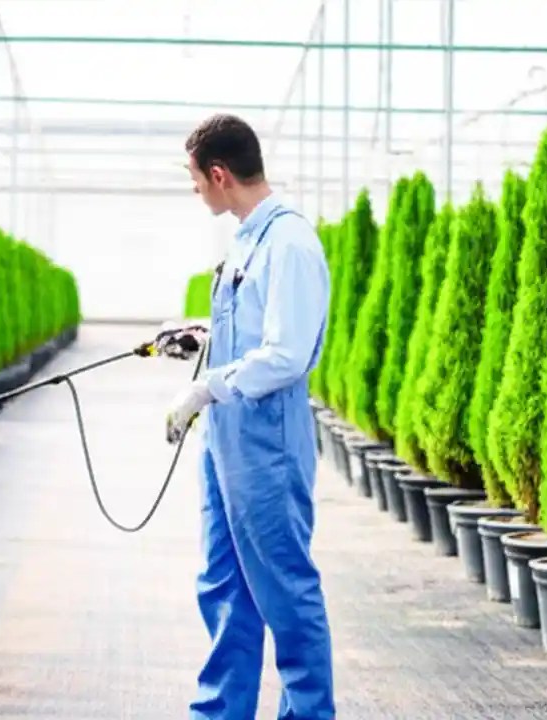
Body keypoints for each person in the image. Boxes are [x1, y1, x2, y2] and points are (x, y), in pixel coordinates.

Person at [156, 113, 335, 720]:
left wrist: (204, 389)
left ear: (218, 173)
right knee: (224, 585)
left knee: (284, 589)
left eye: (194, 178)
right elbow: (255, 329)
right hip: (226, 443)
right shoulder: (246, 237)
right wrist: (203, 339)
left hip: (266, 445)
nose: (194, 190)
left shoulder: (290, 243)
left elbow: (286, 354)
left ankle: (307, 713)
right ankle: (220, 711)